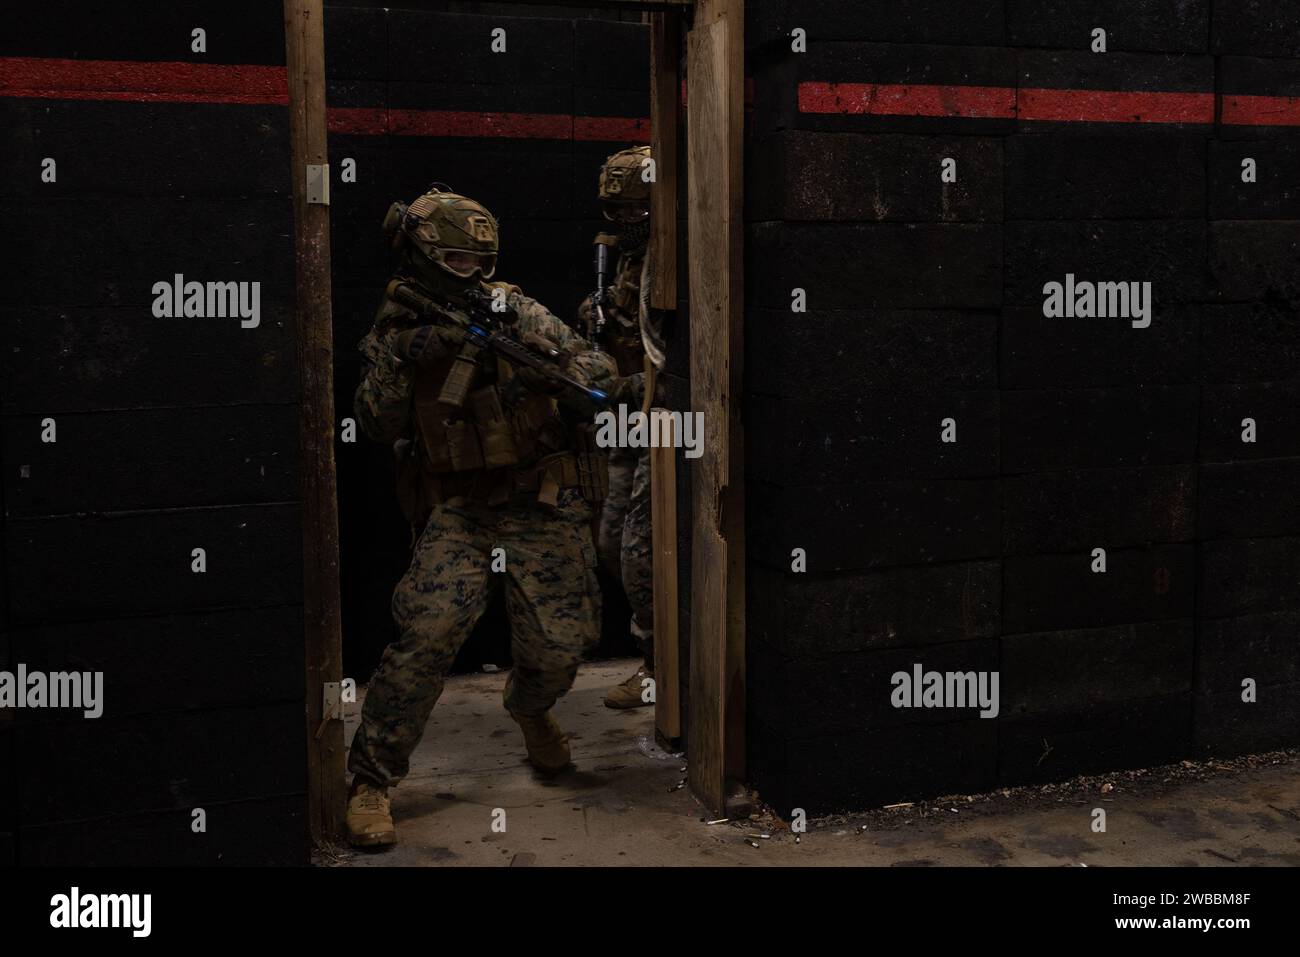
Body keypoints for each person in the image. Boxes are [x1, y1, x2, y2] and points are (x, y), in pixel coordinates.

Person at [345, 187, 617, 847]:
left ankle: (529, 707)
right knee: (424, 637)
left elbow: (595, 364)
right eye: (458, 259)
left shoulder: (510, 306)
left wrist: (569, 378)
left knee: (561, 645)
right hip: (462, 509)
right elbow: (375, 423)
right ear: (426, 255)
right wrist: (410, 355)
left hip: (539, 501)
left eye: (479, 260)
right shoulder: (396, 329)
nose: (472, 272)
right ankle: (372, 780)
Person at [577, 146, 667, 710]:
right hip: (623, 423)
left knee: (640, 550)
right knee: (611, 541)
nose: (625, 225)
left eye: (637, 213)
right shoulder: (625, 260)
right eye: (618, 214)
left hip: (663, 421)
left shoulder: (676, 257)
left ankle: (660, 663)